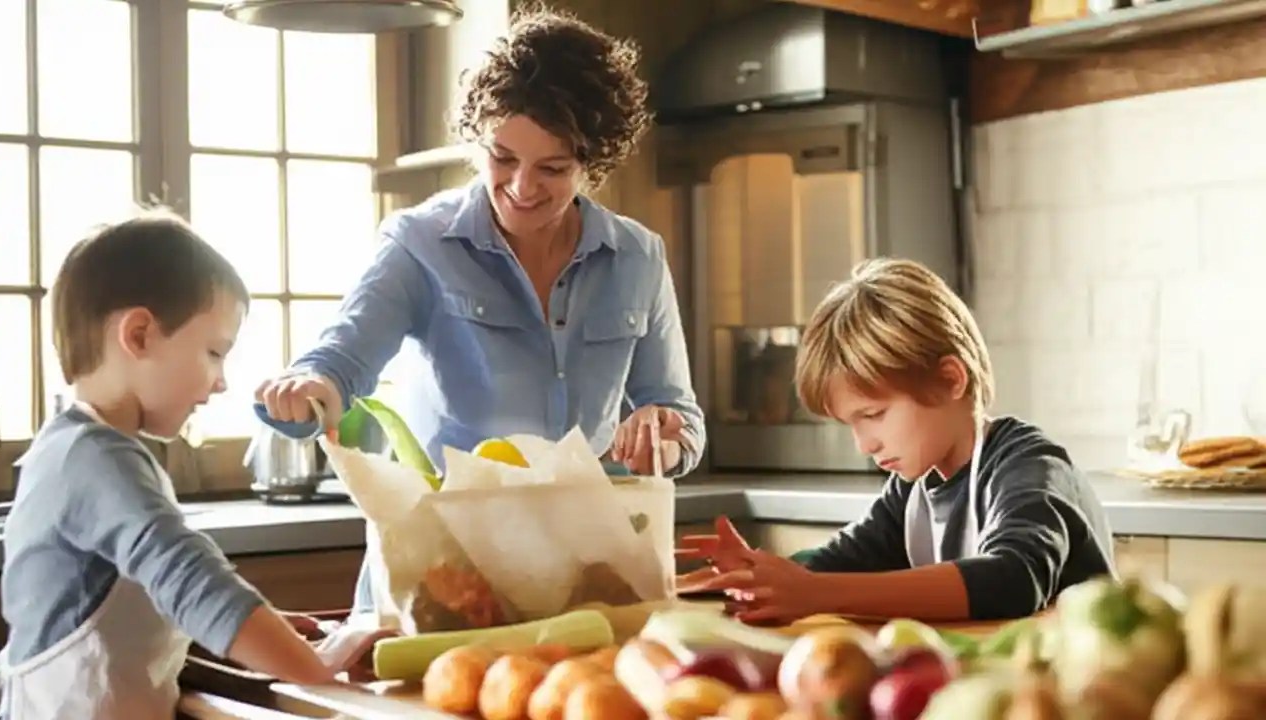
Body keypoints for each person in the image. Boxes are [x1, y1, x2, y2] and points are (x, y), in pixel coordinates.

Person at [255, 9, 705, 611]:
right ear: (476, 140)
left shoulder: (638, 258)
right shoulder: (417, 244)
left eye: (552, 168)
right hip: (440, 576)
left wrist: (664, 438)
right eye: (502, 158)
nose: (522, 186)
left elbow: (679, 417)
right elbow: (339, 360)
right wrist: (306, 392)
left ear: (592, 161)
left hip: (581, 581)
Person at [0, 212, 387, 719]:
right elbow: (191, 580)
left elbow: (155, 597)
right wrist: (314, 665)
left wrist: (270, 626)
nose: (220, 381)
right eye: (214, 352)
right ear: (138, 335)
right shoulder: (95, 459)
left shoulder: (82, 448)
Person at [678, 258, 1116, 624]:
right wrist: (765, 574)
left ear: (950, 380)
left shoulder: (1030, 468)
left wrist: (817, 593)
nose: (864, 445)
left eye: (874, 415)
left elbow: (1013, 579)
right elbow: (844, 560)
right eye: (851, 423)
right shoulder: (913, 487)